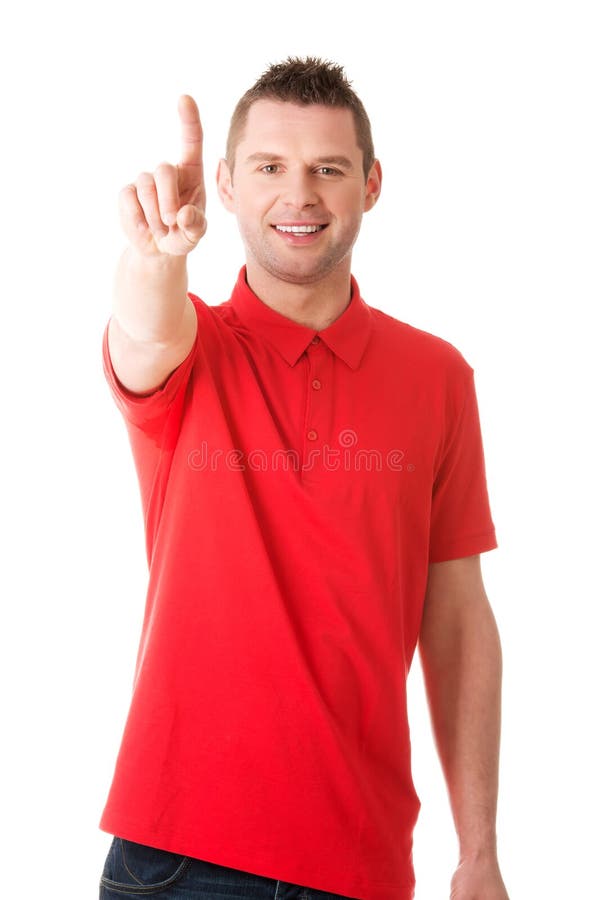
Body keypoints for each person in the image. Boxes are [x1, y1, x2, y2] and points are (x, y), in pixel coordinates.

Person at [98, 57, 509, 900]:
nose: (301, 195)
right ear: (226, 183)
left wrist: (477, 851)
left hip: (361, 861)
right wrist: (151, 258)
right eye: (269, 168)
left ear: (371, 183)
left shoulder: (437, 376)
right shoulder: (193, 346)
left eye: (327, 168)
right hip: (179, 860)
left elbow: (456, 611)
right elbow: (143, 334)